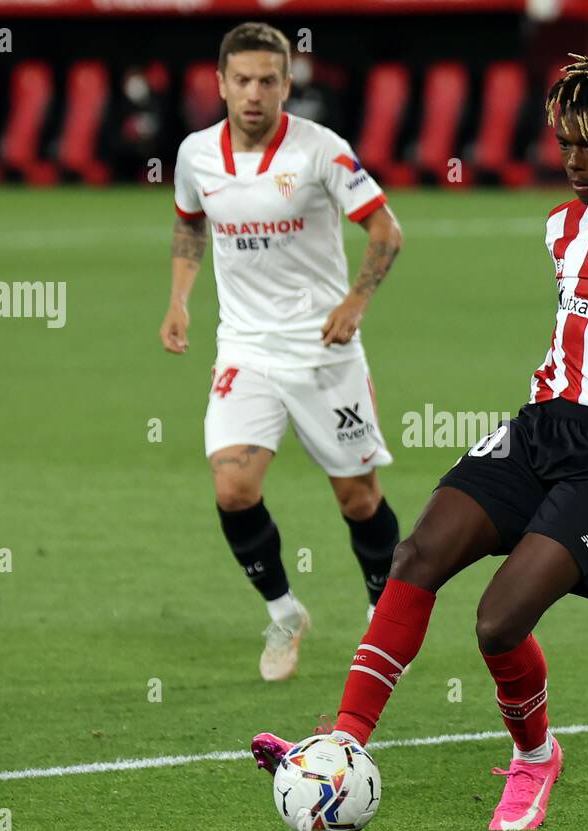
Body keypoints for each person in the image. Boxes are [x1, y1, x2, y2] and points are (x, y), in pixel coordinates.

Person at [251, 54, 588, 831]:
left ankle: (534, 758)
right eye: (563, 144)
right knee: (416, 555)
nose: (573, 162)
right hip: (540, 429)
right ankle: (340, 746)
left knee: (497, 621)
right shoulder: (561, 227)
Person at [161, 22, 405, 681]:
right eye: (241, 80)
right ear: (220, 84)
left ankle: (386, 617)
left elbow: (386, 228)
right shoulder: (194, 156)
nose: (254, 93)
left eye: (268, 80)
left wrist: (356, 300)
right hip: (246, 351)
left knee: (357, 499)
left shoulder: (321, 150)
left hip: (325, 354)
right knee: (234, 488)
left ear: (286, 84)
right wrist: (180, 299)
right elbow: (189, 224)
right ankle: (284, 612)